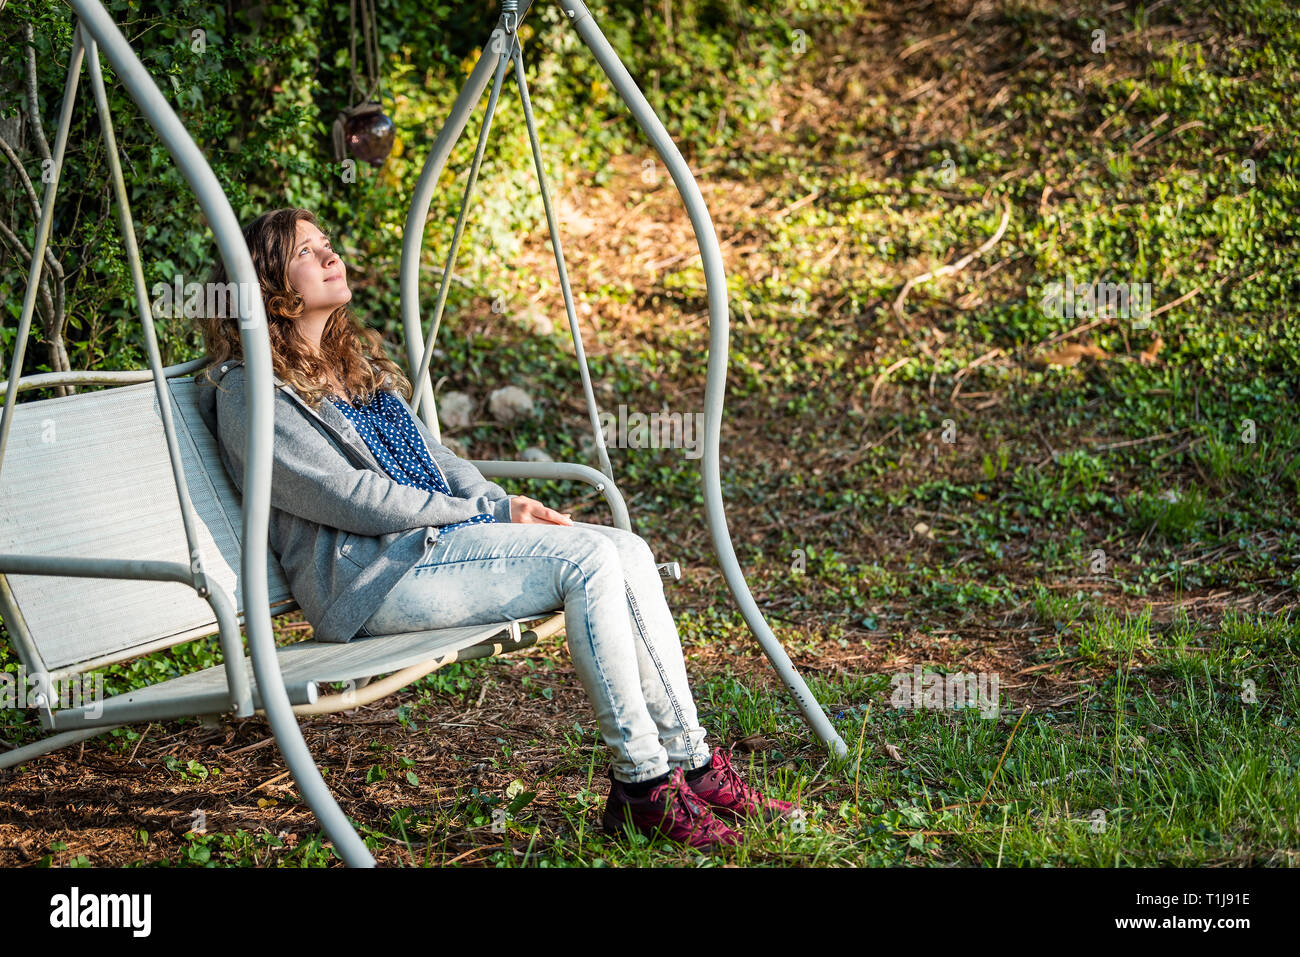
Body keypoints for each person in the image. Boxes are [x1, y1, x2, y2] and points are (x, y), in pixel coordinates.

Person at [195, 207, 797, 850]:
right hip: (371, 579)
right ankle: (644, 788)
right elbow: (352, 499)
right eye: (305, 253)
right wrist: (483, 514)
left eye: (327, 245)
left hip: (435, 548)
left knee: (624, 547)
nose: (329, 258)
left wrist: (501, 500)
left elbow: (437, 461)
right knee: (588, 561)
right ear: (268, 288)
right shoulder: (251, 393)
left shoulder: (351, 367)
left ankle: (693, 765)